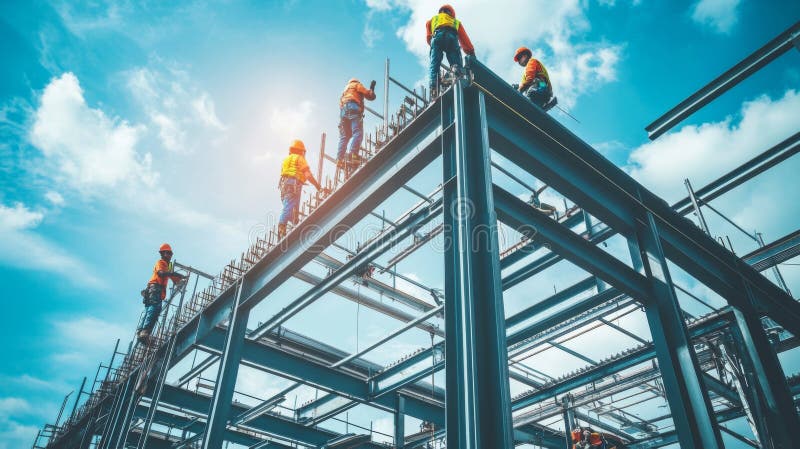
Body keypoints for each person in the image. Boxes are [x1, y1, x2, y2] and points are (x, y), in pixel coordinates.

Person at [137, 243, 186, 344]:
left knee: (149, 310)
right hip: (155, 288)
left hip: (154, 289)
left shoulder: (167, 266)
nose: (169, 255)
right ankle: (144, 332)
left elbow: (172, 277)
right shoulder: (161, 262)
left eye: (170, 253)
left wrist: (179, 281)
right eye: (167, 253)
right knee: (154, 308)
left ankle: (141, 332)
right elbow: (161, 273)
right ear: (162, 254)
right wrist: (175, 274)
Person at [426, 4, 475, 96]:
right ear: (451, 13)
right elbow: (464, 39)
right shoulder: (455, 21)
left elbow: (428, 37)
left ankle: (433, 87)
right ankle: (457, 76)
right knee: (456, 63)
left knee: (434, 63)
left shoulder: (432, 20)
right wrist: (471, 51)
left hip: (436, 37)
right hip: (451, 38)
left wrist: (433, 46)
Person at [278, 139, 322, 238]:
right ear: (301, 151)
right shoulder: (299, 158)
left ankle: (294, 224)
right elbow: (308, 175)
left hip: (284, 185)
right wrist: (317, 185)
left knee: (292, 207)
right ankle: (282, 225)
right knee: (289, 206)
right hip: (293, 184)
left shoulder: (286, 160)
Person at [337, 78, 376, 170]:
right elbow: (369, 95)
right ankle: (353, 154)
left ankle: (339, 160)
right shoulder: (357, 85)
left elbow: (341, 104)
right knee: (358, 132)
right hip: (353, 108)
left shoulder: (345, 90)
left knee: (345, 136)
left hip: (343, 113)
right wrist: (372, 89)